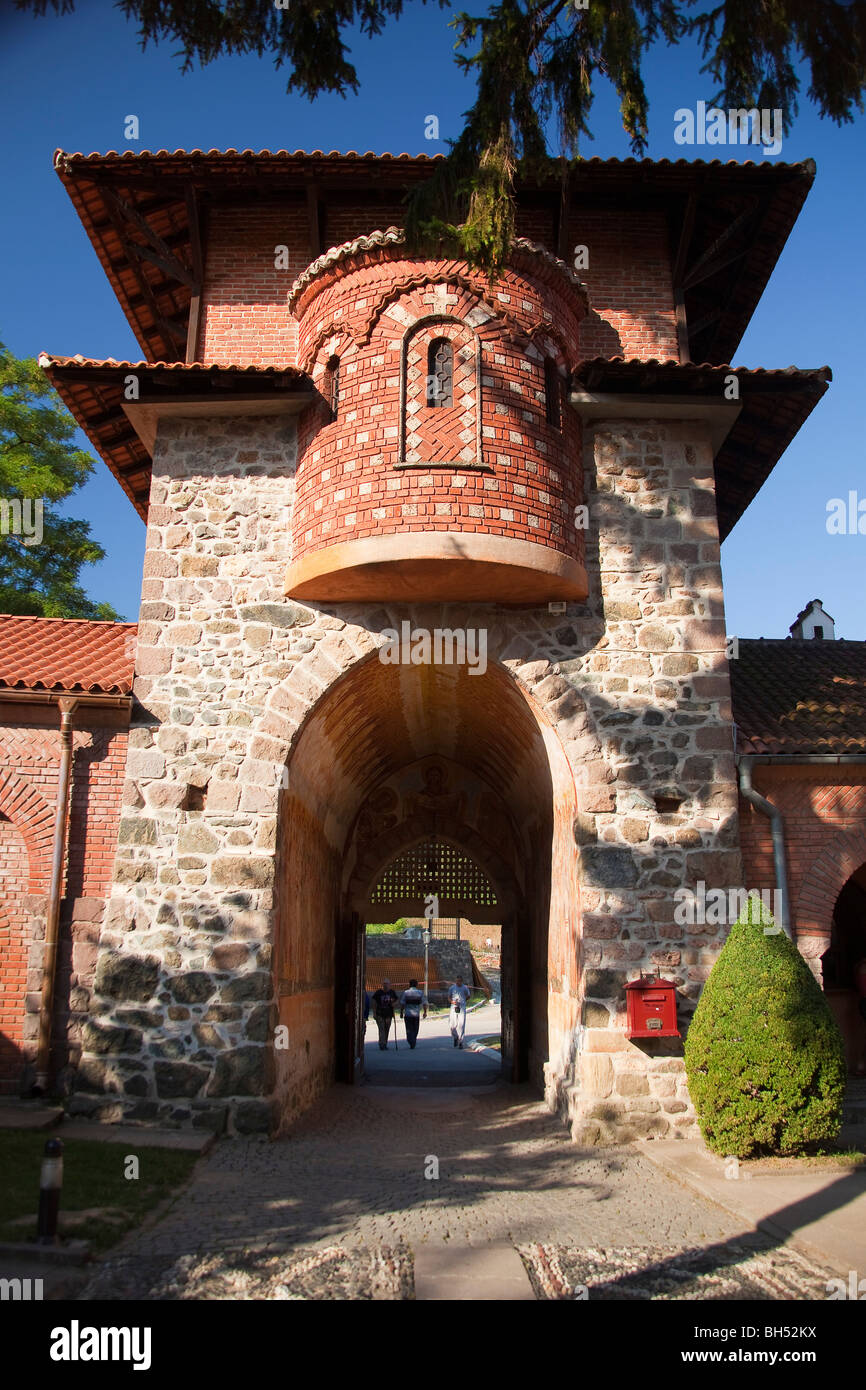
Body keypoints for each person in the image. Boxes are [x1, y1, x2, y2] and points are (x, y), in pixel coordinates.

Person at [399, 978, 427, 1049]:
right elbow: (424, 1003)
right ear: (417, 985)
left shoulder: (406, 993)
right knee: (415, 1029)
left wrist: (401, 1012)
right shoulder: (420, 993)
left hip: (408, 1014)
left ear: (409, 985)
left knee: (408, 1029)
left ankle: (411, 1040)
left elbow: (402, 1003)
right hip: (416, 1015)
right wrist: (425, 1012)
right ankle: (413, 1039)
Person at [372, 980, 398, 1051]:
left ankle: (385, 1043)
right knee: (382, 1029)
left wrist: (394, 1004)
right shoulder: (378, 993)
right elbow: (374, 1002)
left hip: (389, 1015)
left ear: (390, 985)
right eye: (384, 984)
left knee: (387, 1029)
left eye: (387, 984)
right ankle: (382, 1044)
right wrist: (374, 1013)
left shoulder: (392, 992)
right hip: (380, 1014)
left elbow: (397, 1000)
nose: (385, 985)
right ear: (382, 985)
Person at [448, 976, 472, 1049]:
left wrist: (463, 1001)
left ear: (462, 981)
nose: (458, 982)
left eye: (460, 981)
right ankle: (455, 1037)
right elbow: (449, 997)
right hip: (454, 1007)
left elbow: (468, 996)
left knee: (461, 1024)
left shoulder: (465, 988)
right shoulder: (452, 988)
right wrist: (452, 1001)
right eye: (457, 981)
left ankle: (461, 1041)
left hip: (461, 1007)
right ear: (456, 981)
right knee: (452, 1025)